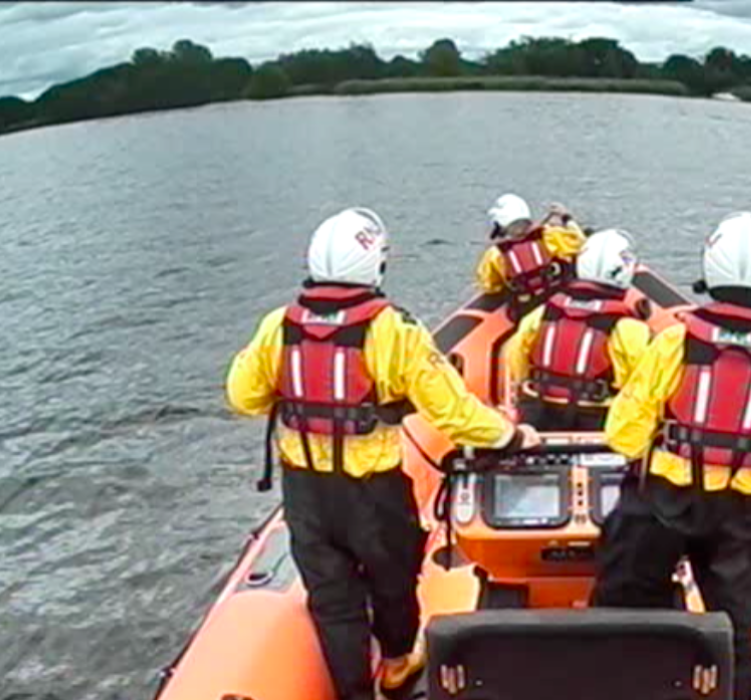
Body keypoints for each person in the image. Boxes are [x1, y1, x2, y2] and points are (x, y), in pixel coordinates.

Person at [226, 207, 540, 700]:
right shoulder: (395, 331)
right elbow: (453, 412)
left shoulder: (277, 328)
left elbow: (242, 397)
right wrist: (511, 436)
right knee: (393, 577)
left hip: (305, 493)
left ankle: (353, 691)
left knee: (332, 599)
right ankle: (396, 665)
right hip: (372, 492)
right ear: (374, 265)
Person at [590, 212, 751, 700]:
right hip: (741, 515)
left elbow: (624, 433)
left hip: (660, 500)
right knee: (736, 630)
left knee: (626, 606)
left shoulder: (674, 342)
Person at [502, 229, 651, 431]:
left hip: (539, 411)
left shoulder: (543, 313)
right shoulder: (629, 329)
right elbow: (640, 385)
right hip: (597, 417)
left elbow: (515, 357)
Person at [475, 193, 586, 316]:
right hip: (559, 303)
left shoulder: (495, 254)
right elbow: (580, 242)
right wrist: (566, 218)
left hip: (526, 311)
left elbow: (489, 285)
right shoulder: (549, 235)